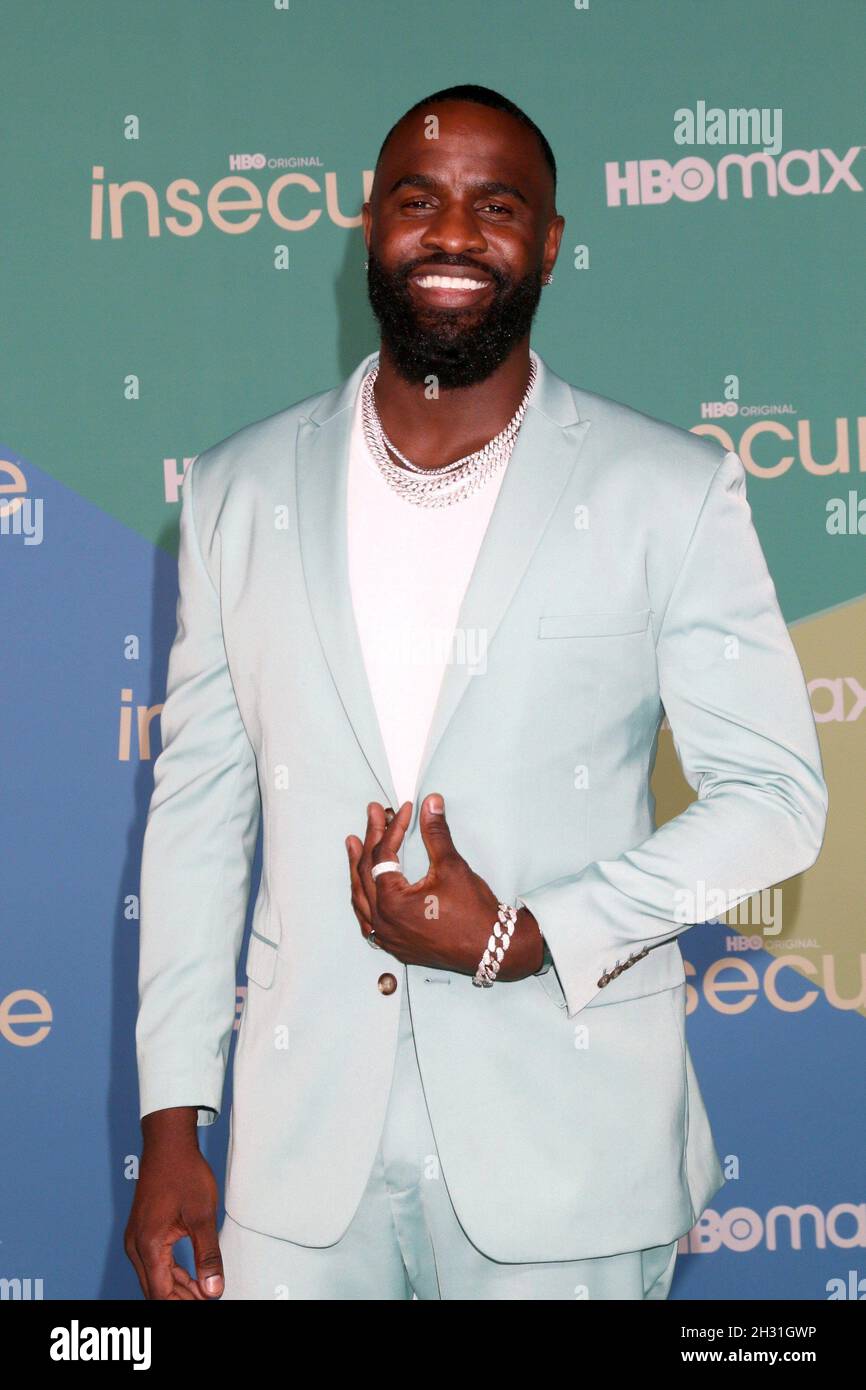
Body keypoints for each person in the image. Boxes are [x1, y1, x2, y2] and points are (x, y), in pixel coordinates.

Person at [125, 84, 828, 1300]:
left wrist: (530, 933)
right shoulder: (239, 489)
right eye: (419, 200)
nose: (453, 234)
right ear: (368, 226)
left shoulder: (669, 489)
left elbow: (774, 802)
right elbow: (196, 820)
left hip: (570, 1156)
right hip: (300, 1170)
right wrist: (173, 1120)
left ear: (549, 241)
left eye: (496, 206)